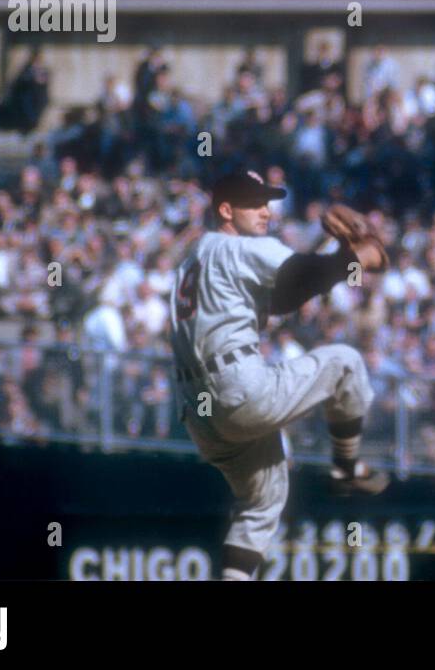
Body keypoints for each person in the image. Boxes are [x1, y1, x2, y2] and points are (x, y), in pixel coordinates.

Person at [170, 169, 390, 580]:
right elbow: (301, 274)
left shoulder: (192, 259)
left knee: (263, 501)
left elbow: (287, 294)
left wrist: (336, 255)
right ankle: (345, 469)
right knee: (345, 361)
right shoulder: (234, 247)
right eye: (254, 203)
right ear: (225, 210)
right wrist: (357, 259)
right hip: (237, 388)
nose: (265, 211)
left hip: (200, 414)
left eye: (267, 201)